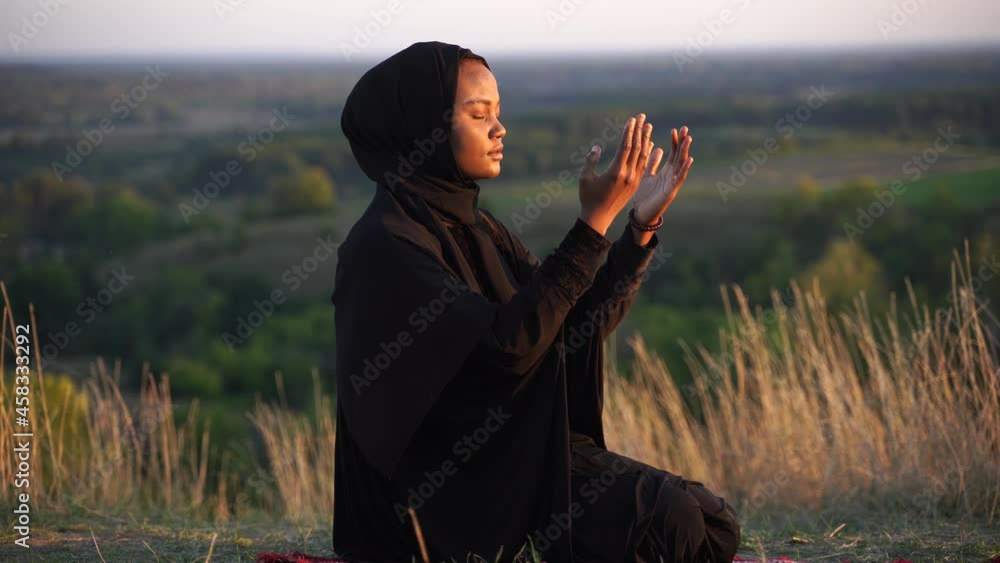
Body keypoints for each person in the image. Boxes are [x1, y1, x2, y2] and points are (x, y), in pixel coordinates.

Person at [331, 41, 740, 563]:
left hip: (515, 457)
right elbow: (508, 350)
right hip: (447, 499)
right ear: (422, 130)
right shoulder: (386, 245)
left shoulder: (478, 228)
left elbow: (567, 329)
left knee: (711, 521)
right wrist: (592, 224)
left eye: (498, 114)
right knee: (672, 524)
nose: (499, 129)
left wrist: (638, 228)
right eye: (479, 115)